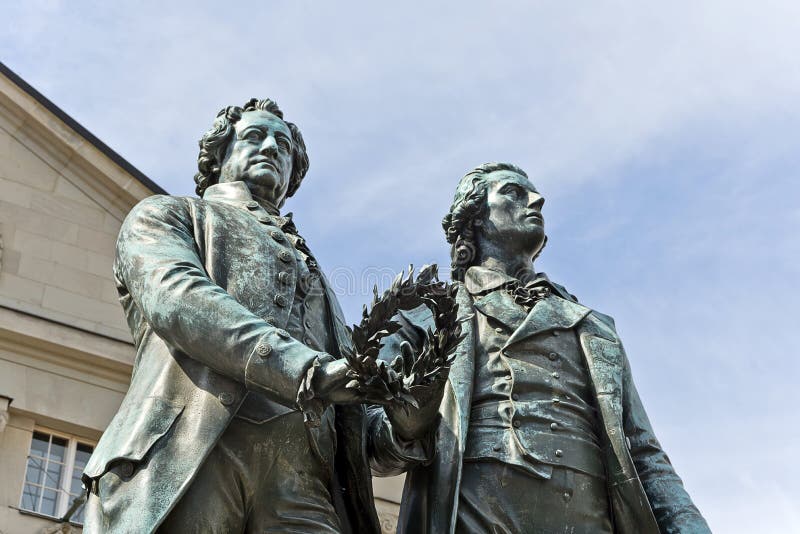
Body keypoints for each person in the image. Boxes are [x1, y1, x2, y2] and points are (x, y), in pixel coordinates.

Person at [81, 98, 428, 533]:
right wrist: (307, 370)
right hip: (194, 455)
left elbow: (354, 421)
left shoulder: (320, 280)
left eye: (284, 145)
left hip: (306, 480)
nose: (271, 148)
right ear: (218, 154)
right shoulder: (167, 215)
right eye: (254, 136)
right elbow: (180, 299)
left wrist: (403, 418)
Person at [380, 162, 711, 534]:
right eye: (513, 192)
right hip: (475, 512)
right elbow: (368, 435)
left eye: (533, 193)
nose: (537, 200)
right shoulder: (424, 315)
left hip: (588, 515)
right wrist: (405, 425)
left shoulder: (594, 327)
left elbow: (644, 452)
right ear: (475, 217)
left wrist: (687, 524)